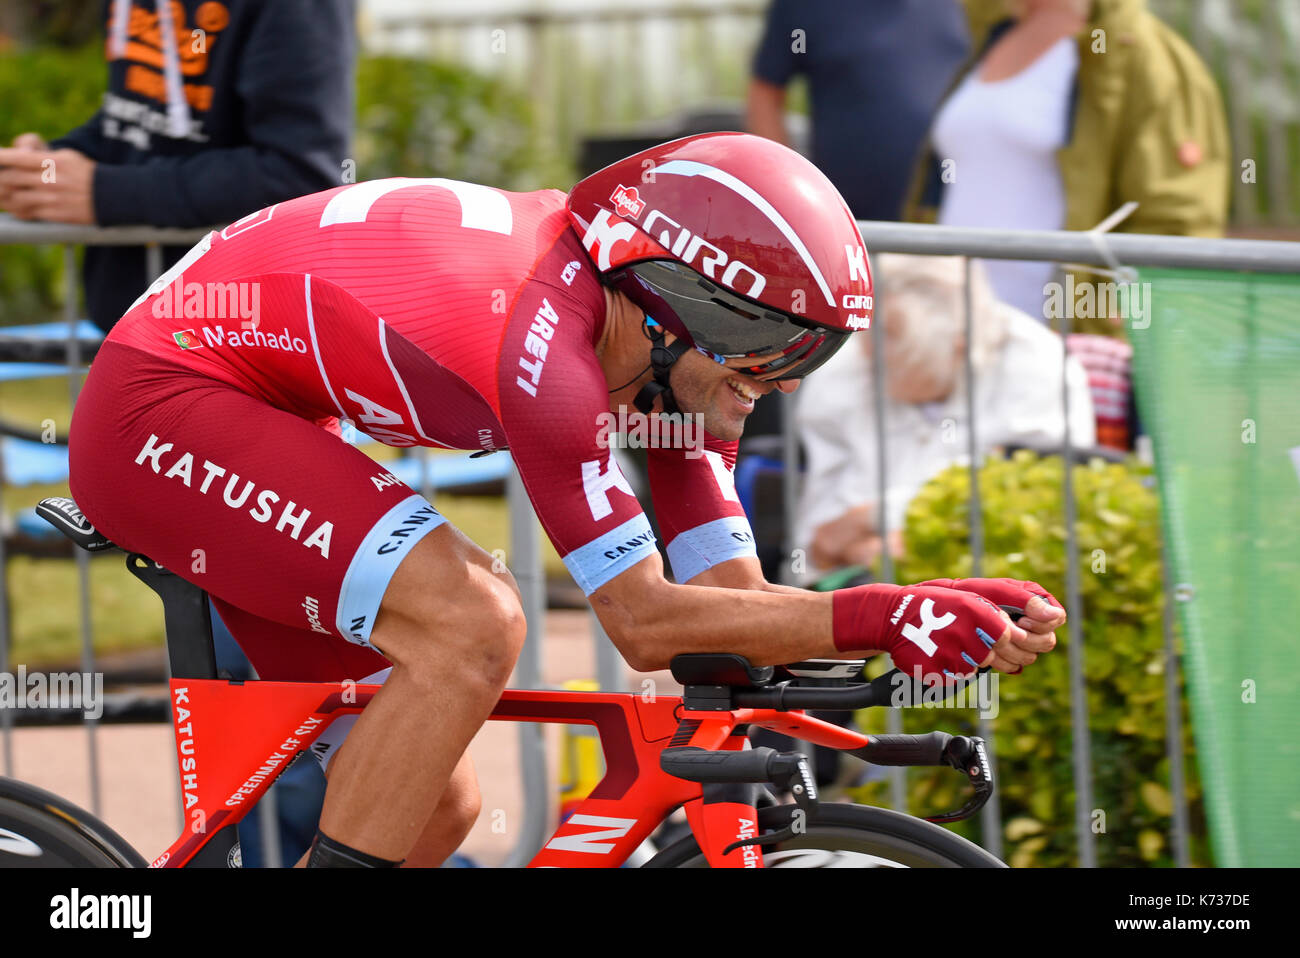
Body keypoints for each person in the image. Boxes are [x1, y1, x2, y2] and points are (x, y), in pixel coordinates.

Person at [68, 133, 1066, 867]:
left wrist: (909, 611)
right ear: (685, 306)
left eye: (811, 353)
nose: (782, 382)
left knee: (432, 810)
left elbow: (725, 597)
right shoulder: (550, 353)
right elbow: (644, 620)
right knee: (473, 620)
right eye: (773, 346)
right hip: (158, 408)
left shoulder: (658, 353)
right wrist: (879, 615)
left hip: (261, 409)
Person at [0, 0, 356, 332]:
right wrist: (49, 165)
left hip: (233, 335)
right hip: (131, 324)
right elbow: (136, 118)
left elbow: (301, 172)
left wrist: (105, 192)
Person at [904, 0, 1230, 328]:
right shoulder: (989, 35)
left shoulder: (1146, 58)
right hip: (951, 332)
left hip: (1055, 346)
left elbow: (1176, 221)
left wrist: (1110, 325)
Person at [795, 253, 1095, 582]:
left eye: (893, 344)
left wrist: (874, 518)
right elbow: (820, 541)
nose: (869, 354)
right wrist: (860, 550)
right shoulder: (845, 366)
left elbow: (1033, 500)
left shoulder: (1038, 366)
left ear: (959, 348)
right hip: (854, 584)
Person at [747, 0, 969, 221]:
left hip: (944, 222)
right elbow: (766, 92)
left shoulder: (970, 8)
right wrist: (784, 190)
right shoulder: (804, 6)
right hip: (848, 228)